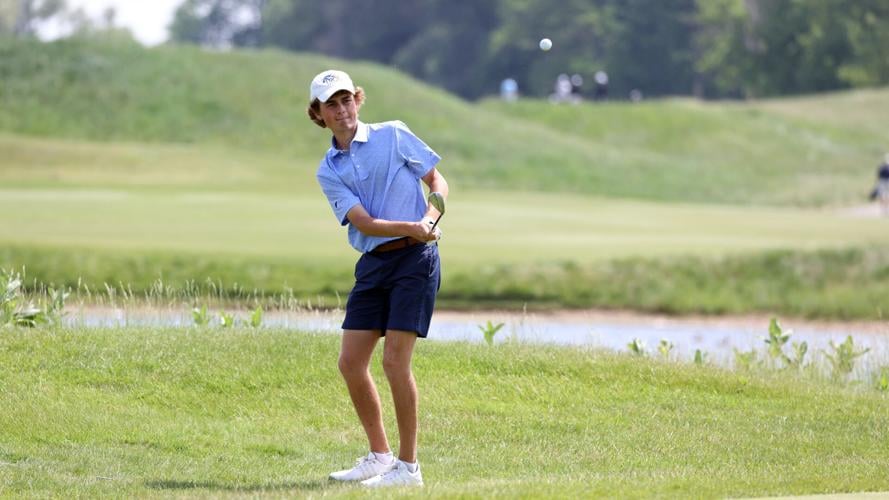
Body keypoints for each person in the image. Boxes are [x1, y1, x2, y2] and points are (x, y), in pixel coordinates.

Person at [306, 69, 448, 488]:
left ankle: (408, 468)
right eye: (332, 103)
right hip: (374, 262)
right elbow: (364, 223)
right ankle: (379, 455)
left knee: (394, 363)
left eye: (347, 99)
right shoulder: (328, 169)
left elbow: (437, 181)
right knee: (351, 363)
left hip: (415, 261)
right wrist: (411, 225)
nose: (343, 108)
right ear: (319, 115)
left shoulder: (394, 134)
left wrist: (429, 217)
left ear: (358, 100)